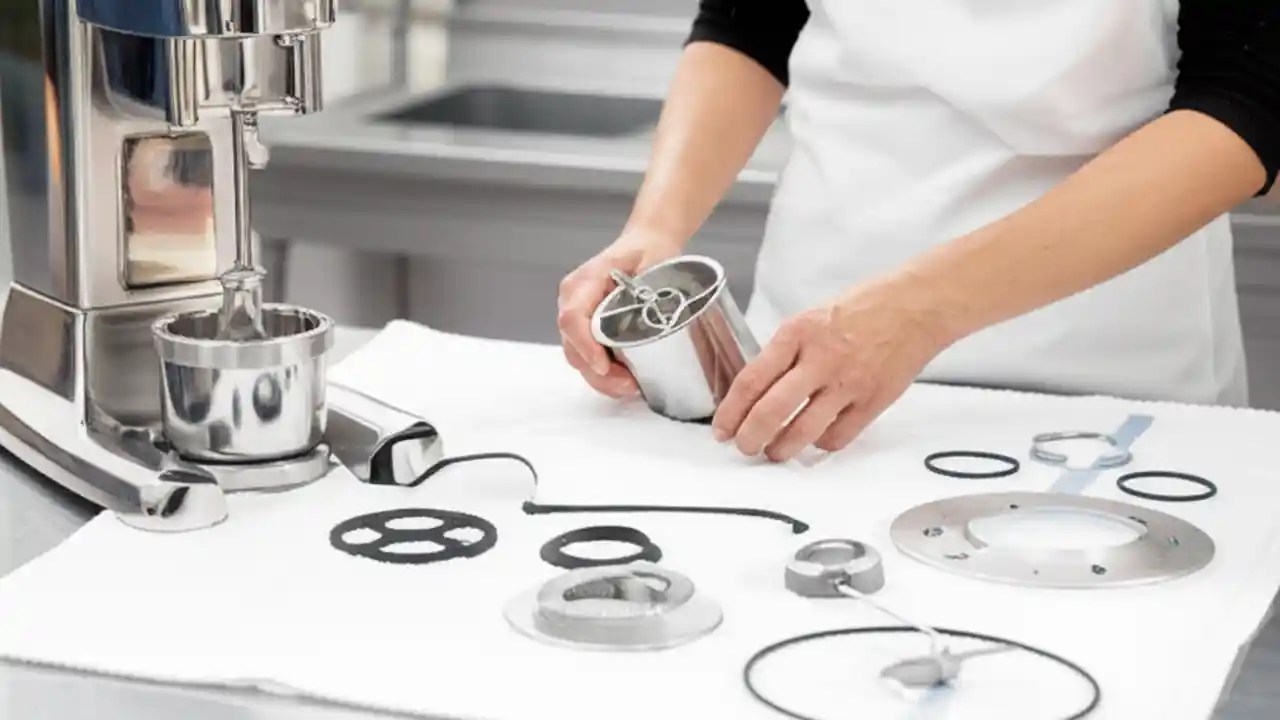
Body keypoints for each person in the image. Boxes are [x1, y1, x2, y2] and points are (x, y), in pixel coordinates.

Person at [558, 1, 1279, 463]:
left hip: (1100, 372)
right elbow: (750, 22)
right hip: (810, 365)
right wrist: (656, 227)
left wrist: (920, 310)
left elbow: (1247, 103)